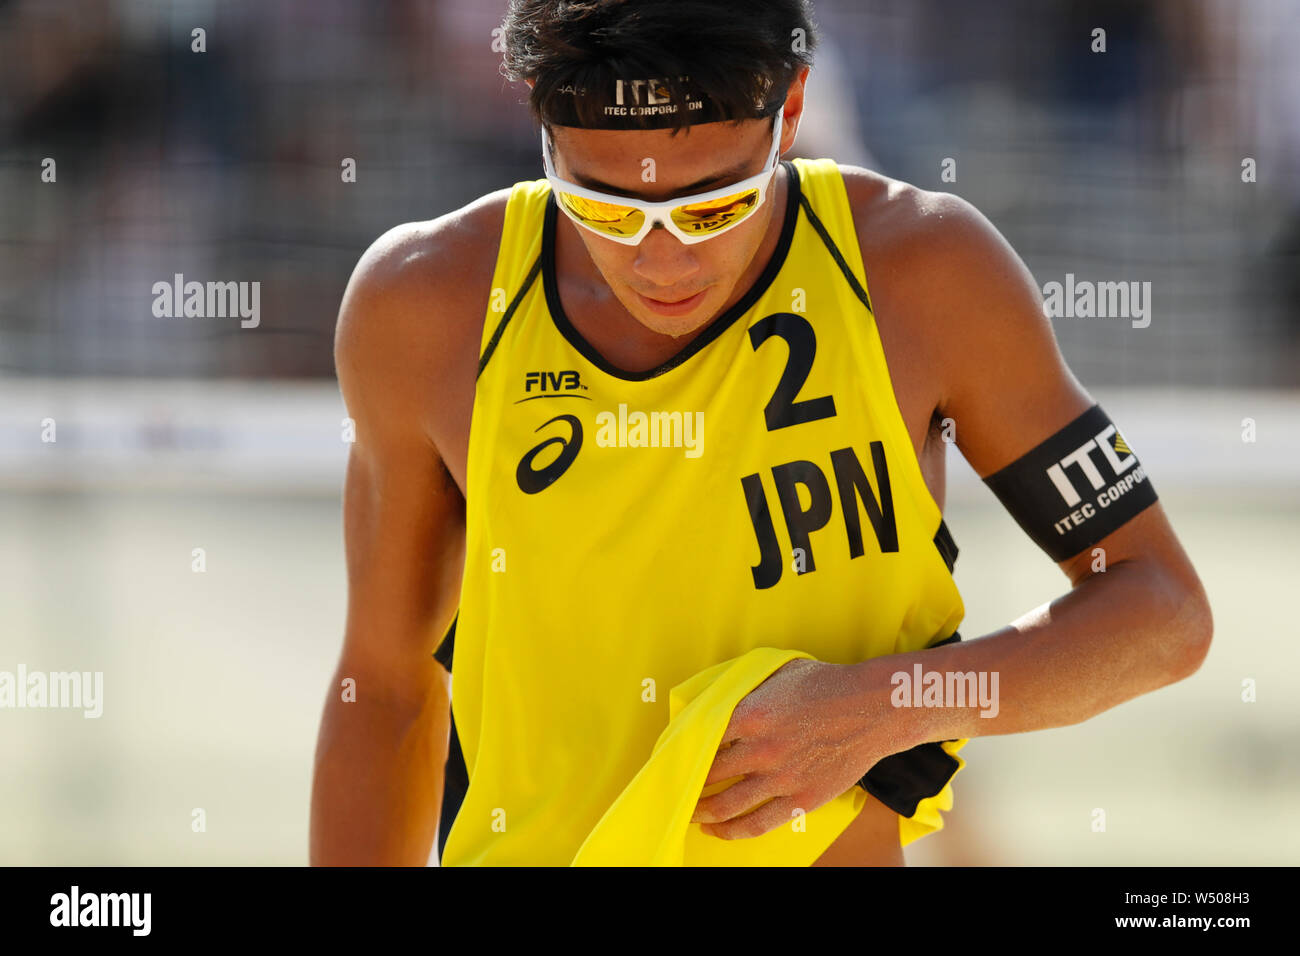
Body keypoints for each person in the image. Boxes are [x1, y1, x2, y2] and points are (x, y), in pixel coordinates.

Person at [310, 0, 1212, 867]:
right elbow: (384, 689)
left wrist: (889, 706)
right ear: (544, 136)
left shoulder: (925, 273)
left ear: (791, 112)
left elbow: (1161, 608)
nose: (661, 261)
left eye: (710, 207)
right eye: (607, 212)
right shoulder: (425, 304)